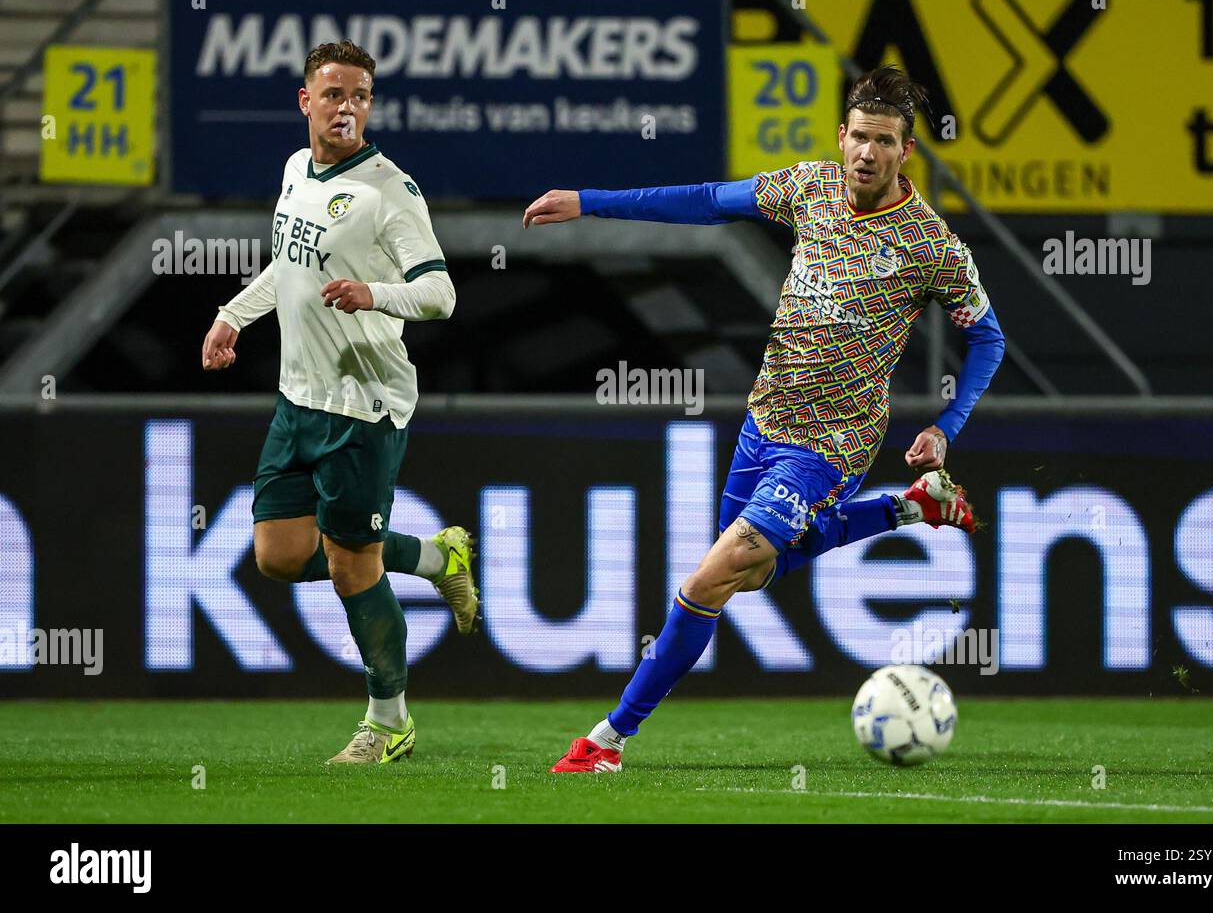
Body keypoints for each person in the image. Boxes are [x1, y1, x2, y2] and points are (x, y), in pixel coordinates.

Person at [523, 65, 1005, 772]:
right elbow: (708, 201)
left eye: (885, 142)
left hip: (832, 445)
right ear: (842, 136)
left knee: (711, 579)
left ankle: (606, 740)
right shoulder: (809, 188)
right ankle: (908, 511)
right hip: (764, 424)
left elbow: (989, 337)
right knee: (751, 574)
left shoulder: (931, 246)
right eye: (860, 137)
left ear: (907, 153)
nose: (868, 153)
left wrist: (945, 426)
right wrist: (590, 202)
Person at [201, 40, 479, 764]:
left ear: (369, 105)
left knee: (352, 564)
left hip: (363, 406)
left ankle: (389, 721)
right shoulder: (296, 170)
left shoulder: (392, 193)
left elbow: (441, 293)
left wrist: (373, 294)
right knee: (277, 556)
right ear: (306, 101)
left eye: (359, 95)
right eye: (332, 94)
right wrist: (235, 314)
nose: (346, 107)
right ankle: (435, 556)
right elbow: (290, 263)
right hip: (299, 400)